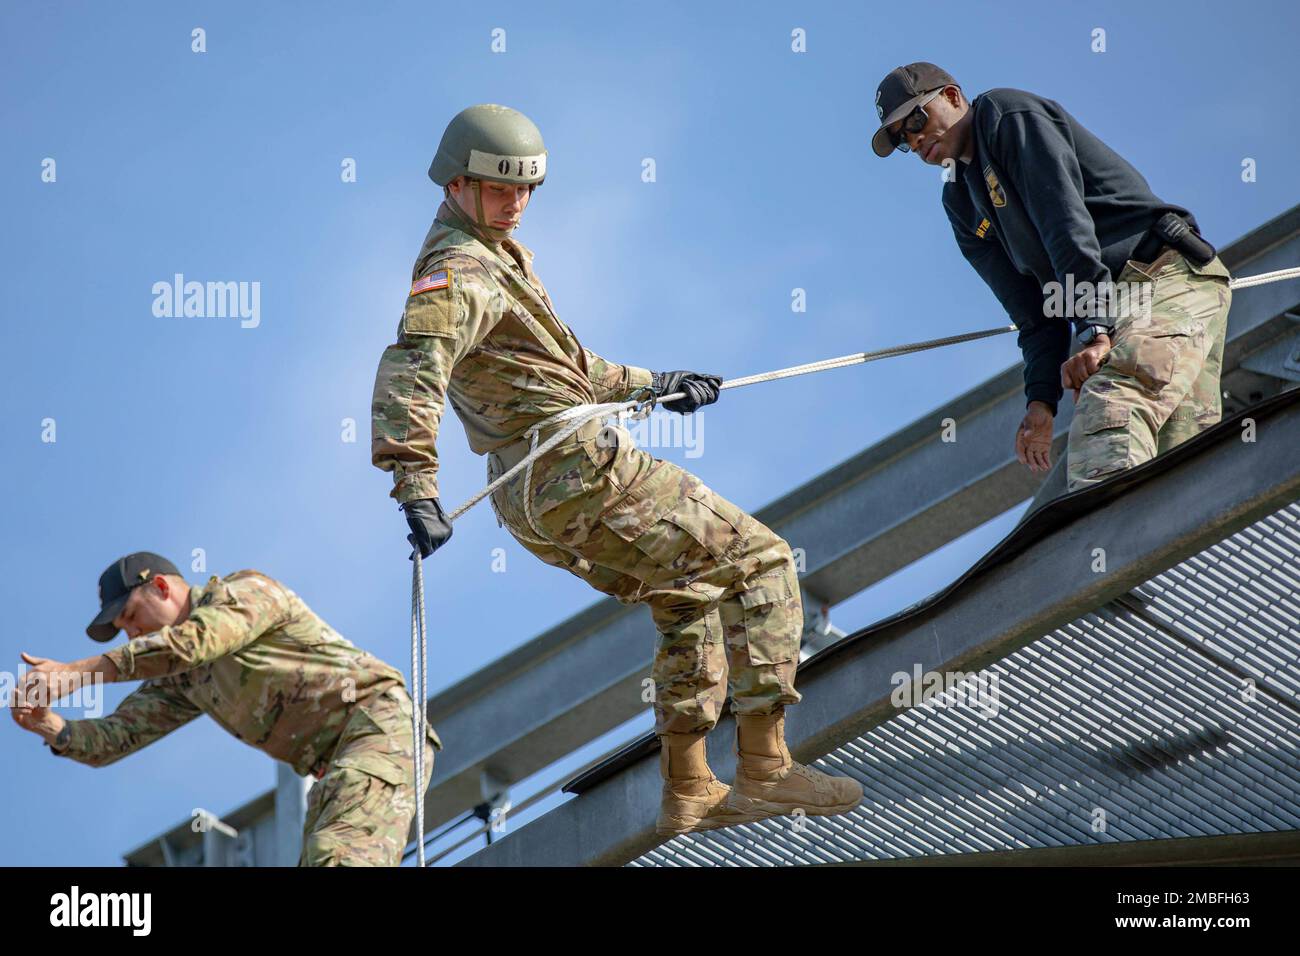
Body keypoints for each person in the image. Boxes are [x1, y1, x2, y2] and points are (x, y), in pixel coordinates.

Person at [370, 104, 862, 835]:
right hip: (575, 469)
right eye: (501, 189)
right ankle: (766, 769)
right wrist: (415, 485)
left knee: (688, 593)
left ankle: (690, 785)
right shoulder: (460, 272)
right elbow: (414, 371)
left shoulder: (494, 258)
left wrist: (652, 382)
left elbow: (562, 371)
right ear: (456, 184)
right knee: (760, 561)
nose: (517, 204)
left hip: (533, 493)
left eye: (527, 190)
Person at [871, 63, 1232, 490]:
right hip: (1116, 308)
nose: (914, 139)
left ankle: (1108, 545)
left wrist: (1095, 328)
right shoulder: (962, 204)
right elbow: (1036, 317)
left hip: (1162, 278)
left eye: (916, 119)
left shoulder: (1006, 117)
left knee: (1112, 410)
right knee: (1181, 462)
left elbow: (1065, 226)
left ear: (951, 97)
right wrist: (1041, 401)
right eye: (901, 140)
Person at [10, 551, 439, 866]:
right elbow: (118, 736)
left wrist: (77, 673)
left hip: (377, 730)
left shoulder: (244, 593)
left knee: (338, 858)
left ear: (161, 586)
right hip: (336, 767)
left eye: (132, 616)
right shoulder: (183, 680)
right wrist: (49, 726)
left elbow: (194, 644)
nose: (132, 635)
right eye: (124, 629)